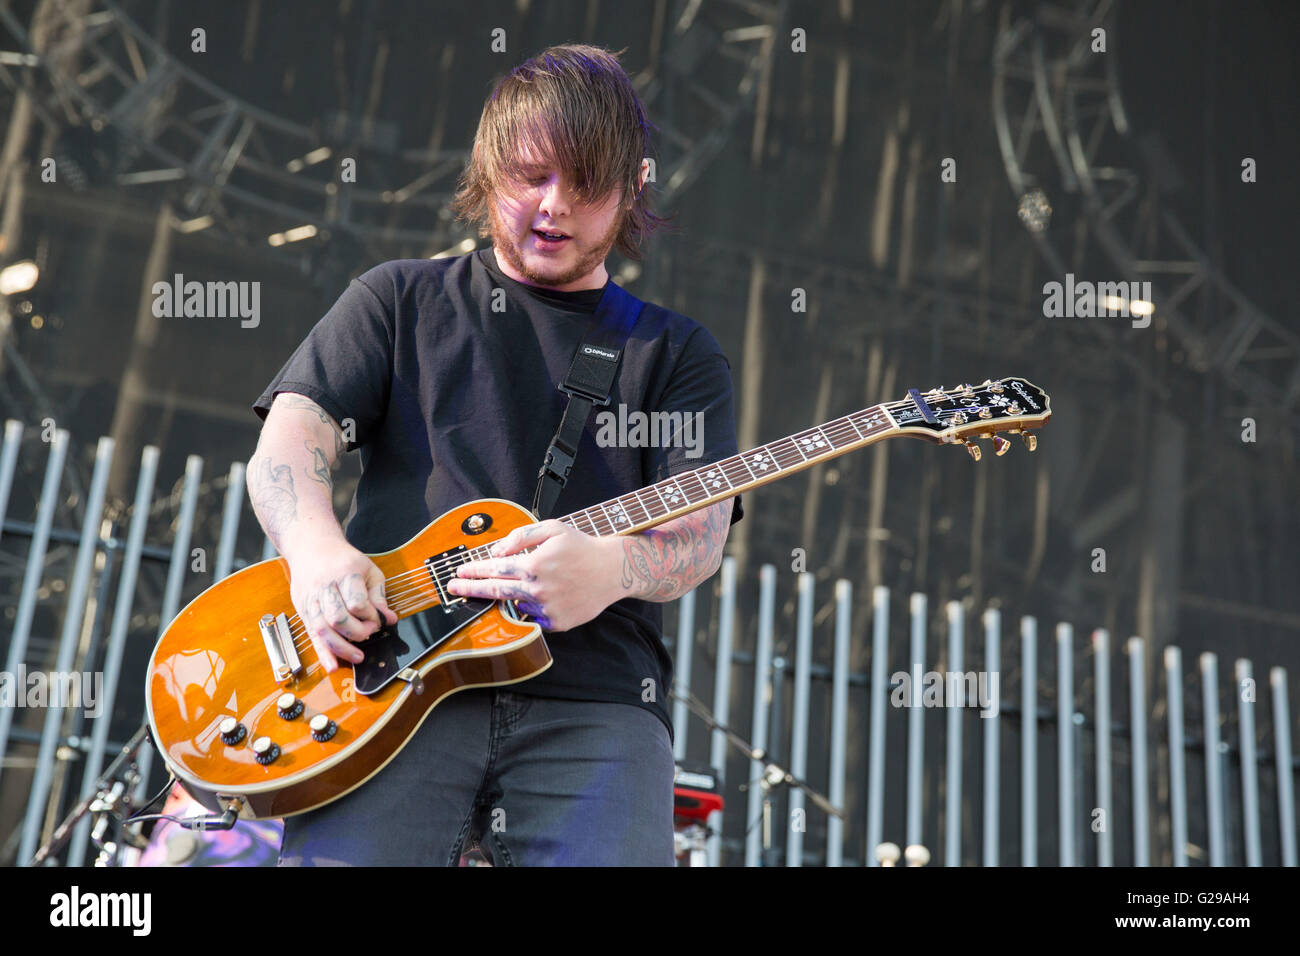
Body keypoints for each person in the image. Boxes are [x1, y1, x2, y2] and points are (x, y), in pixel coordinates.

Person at [247, 44, 742, 866]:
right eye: (530, 177)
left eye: (586, 186)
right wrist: (316, 553)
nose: (554, 208)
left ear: (630, 194)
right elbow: (291, 435)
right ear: (487, 171)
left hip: (597, 704)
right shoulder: (398, 298)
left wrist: (612, 571)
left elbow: (700, 530)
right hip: (388, 684)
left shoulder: (678, 353)